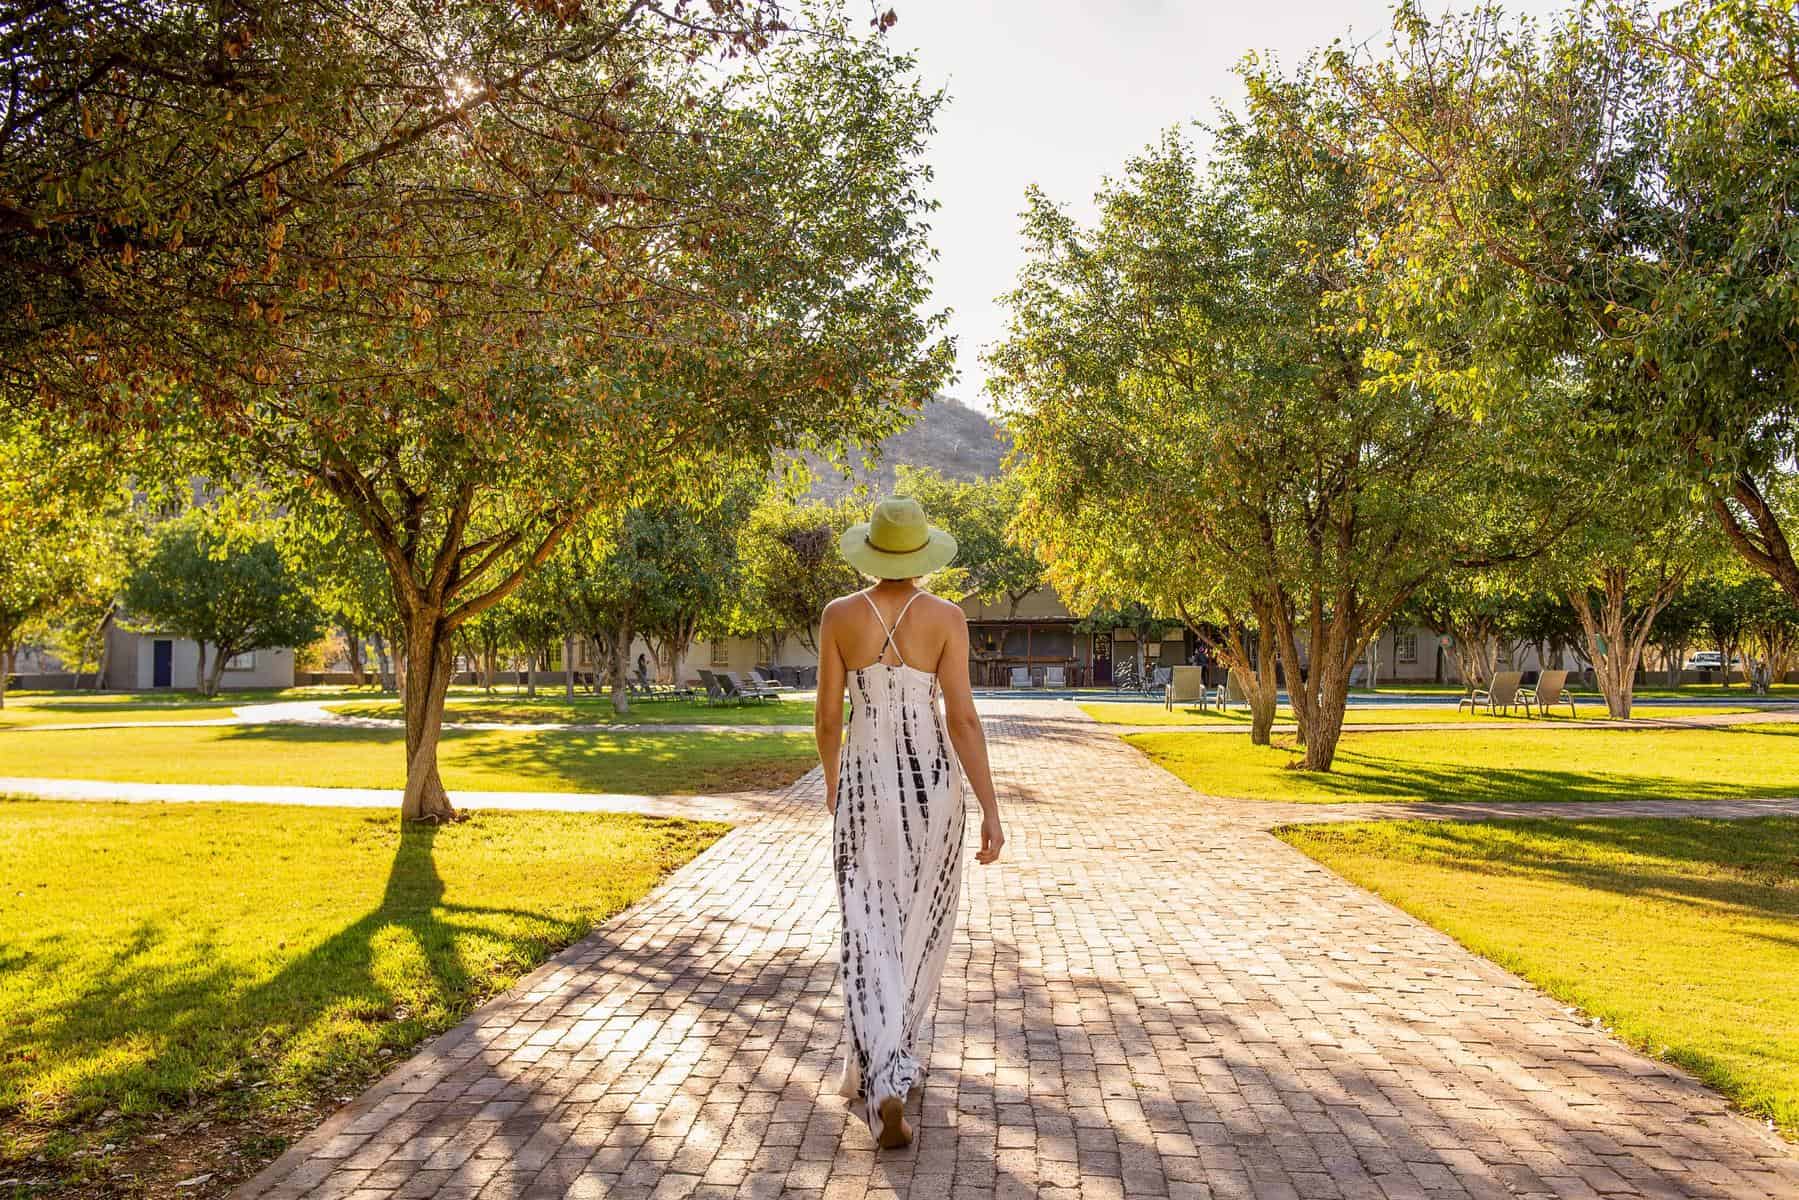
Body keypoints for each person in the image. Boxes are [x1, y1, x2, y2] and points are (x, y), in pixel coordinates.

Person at [814, 496, 1004, 1149]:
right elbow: (962, 719)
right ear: (921, 554)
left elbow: (827, 718)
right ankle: (893, 1069)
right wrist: (989, 807)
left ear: (872, 550)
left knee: (867, 930)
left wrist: (837, 787)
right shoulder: (946, 618)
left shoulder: (839, 616)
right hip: (932, 790)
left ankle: (880, 1075)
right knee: (922, 930)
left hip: (866, 790)